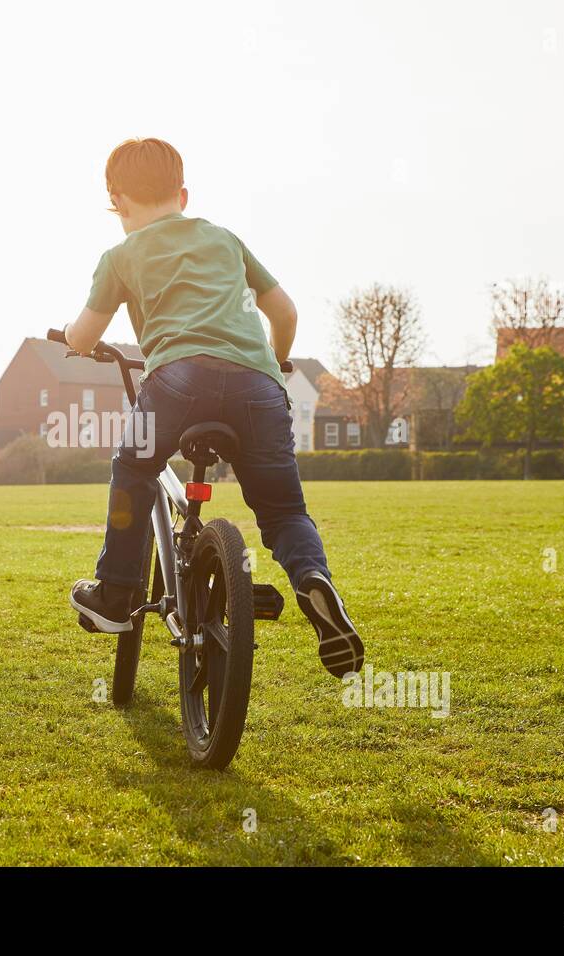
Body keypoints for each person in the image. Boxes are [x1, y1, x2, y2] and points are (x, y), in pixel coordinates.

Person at [65, 139, 363, 679]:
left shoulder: (120, 256)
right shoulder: (224, 240)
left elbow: (85, 333)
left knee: (133, 467)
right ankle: (314, 582)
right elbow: (285, 310)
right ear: (183, 193)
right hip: (258, 386)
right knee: (283, 512)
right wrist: (276, 360)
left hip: (176, 380)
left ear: (119, 204)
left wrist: (72, 338)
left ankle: (114, 592)